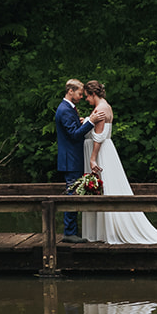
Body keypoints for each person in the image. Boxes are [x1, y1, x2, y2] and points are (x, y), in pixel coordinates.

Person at [80, 79, 157, 247]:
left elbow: (99, 137)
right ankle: (104, 230)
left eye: (87, 96)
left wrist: (93, 158)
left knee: (106, 188)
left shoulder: (100, 109)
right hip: (106, 152)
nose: (86, 99)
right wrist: (87, 122)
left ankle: (110, 231)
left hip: (101, 154)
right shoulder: (105, 106)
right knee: (106, 188)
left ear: (93, 94)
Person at [54, 78, 95, 241]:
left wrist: (81, 122)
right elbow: (74, 135)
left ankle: (72, 231)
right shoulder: (64, 109)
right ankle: (69, 233)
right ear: (70, 91)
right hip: (70, 159)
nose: (80, 97)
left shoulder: (68, 109)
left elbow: (72, 130)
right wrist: (90, 122)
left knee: (75, 191)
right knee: (72, 193)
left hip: (72, 158)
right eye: (79, 93)